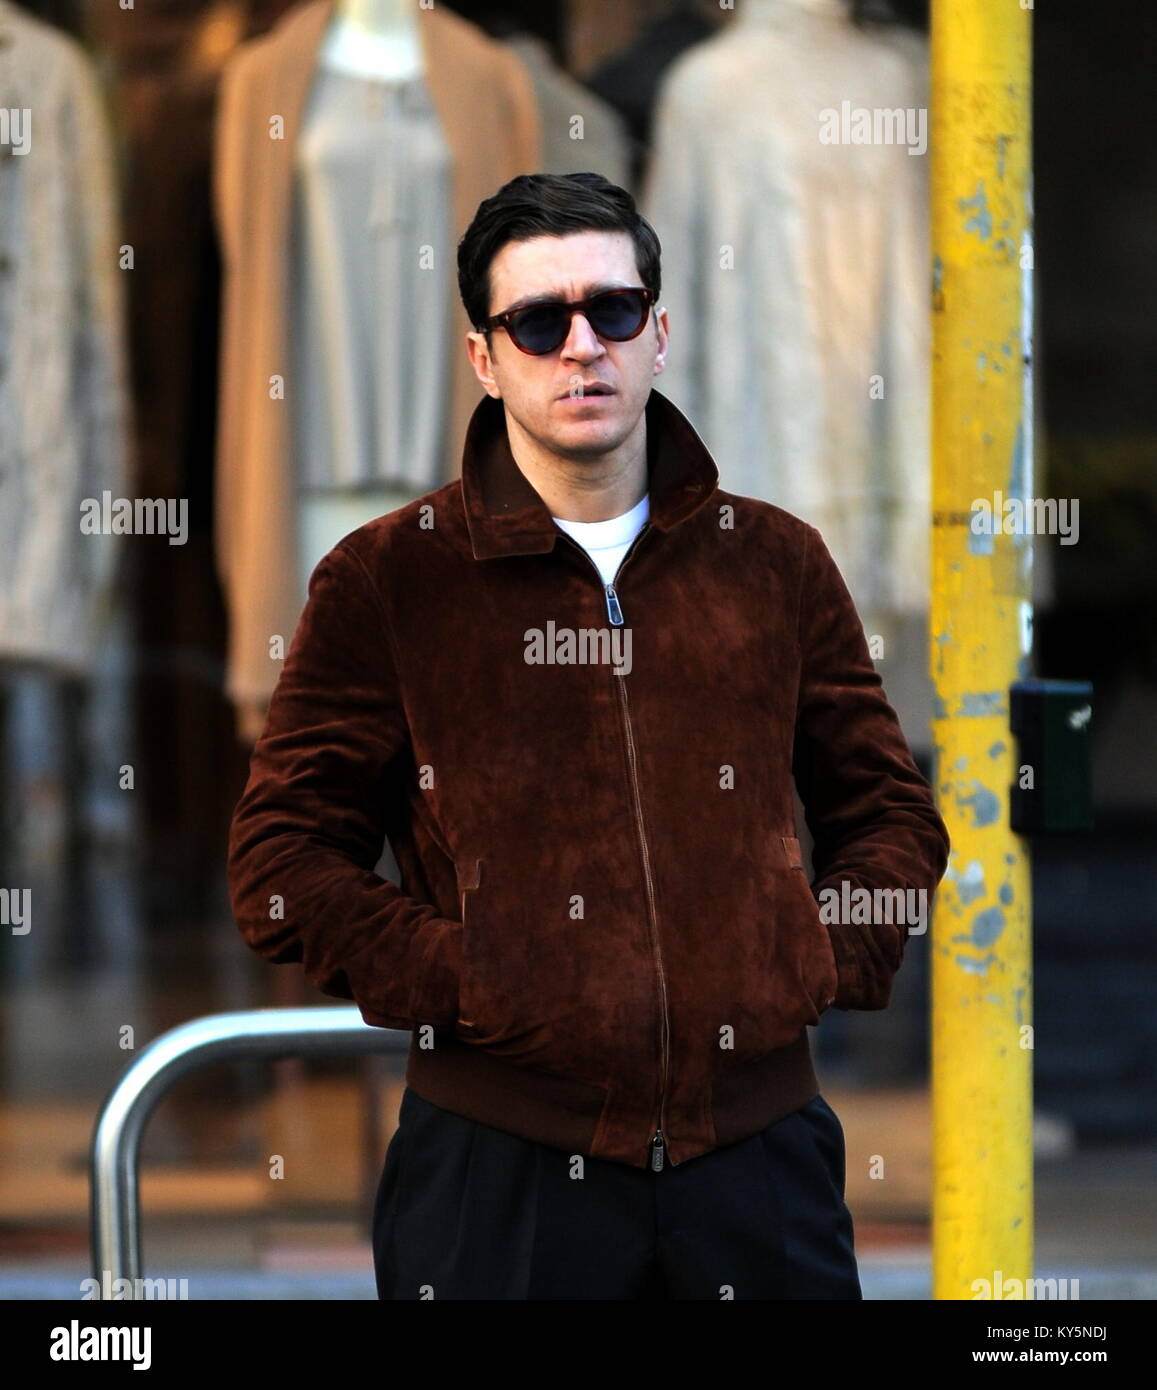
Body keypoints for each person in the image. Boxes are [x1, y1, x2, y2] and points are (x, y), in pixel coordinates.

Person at [227, 171, 950, 1300]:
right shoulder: (390, 579)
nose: (580, 347)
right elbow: (278, 866)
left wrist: (813, 955)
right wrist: (473, 978)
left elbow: (888, 812)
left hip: (756, 1164)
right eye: (537, 320)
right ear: (485, 357)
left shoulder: (772, 562)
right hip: (495, 1177)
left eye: (611, 310)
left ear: (657, 334)